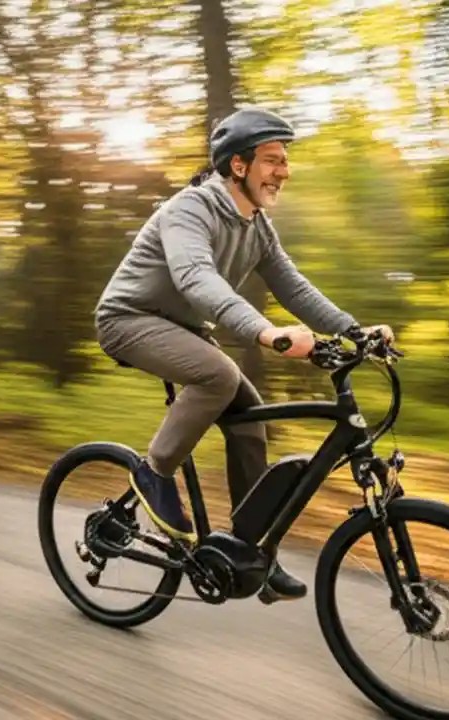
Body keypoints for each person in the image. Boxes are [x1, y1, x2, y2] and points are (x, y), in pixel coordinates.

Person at [93, 106, 393, 602]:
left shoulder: (257, 228)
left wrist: (354, 331)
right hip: (128, 320)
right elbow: (196, 278)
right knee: (217, 374)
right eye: (273, 160)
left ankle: (248, 549)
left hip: (180, 328)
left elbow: (294, 288)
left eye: (285, 161)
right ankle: (154, 471)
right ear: (239, 166)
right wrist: (265, 333)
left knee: (249, 415)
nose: (284, 171)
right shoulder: (189, 209)